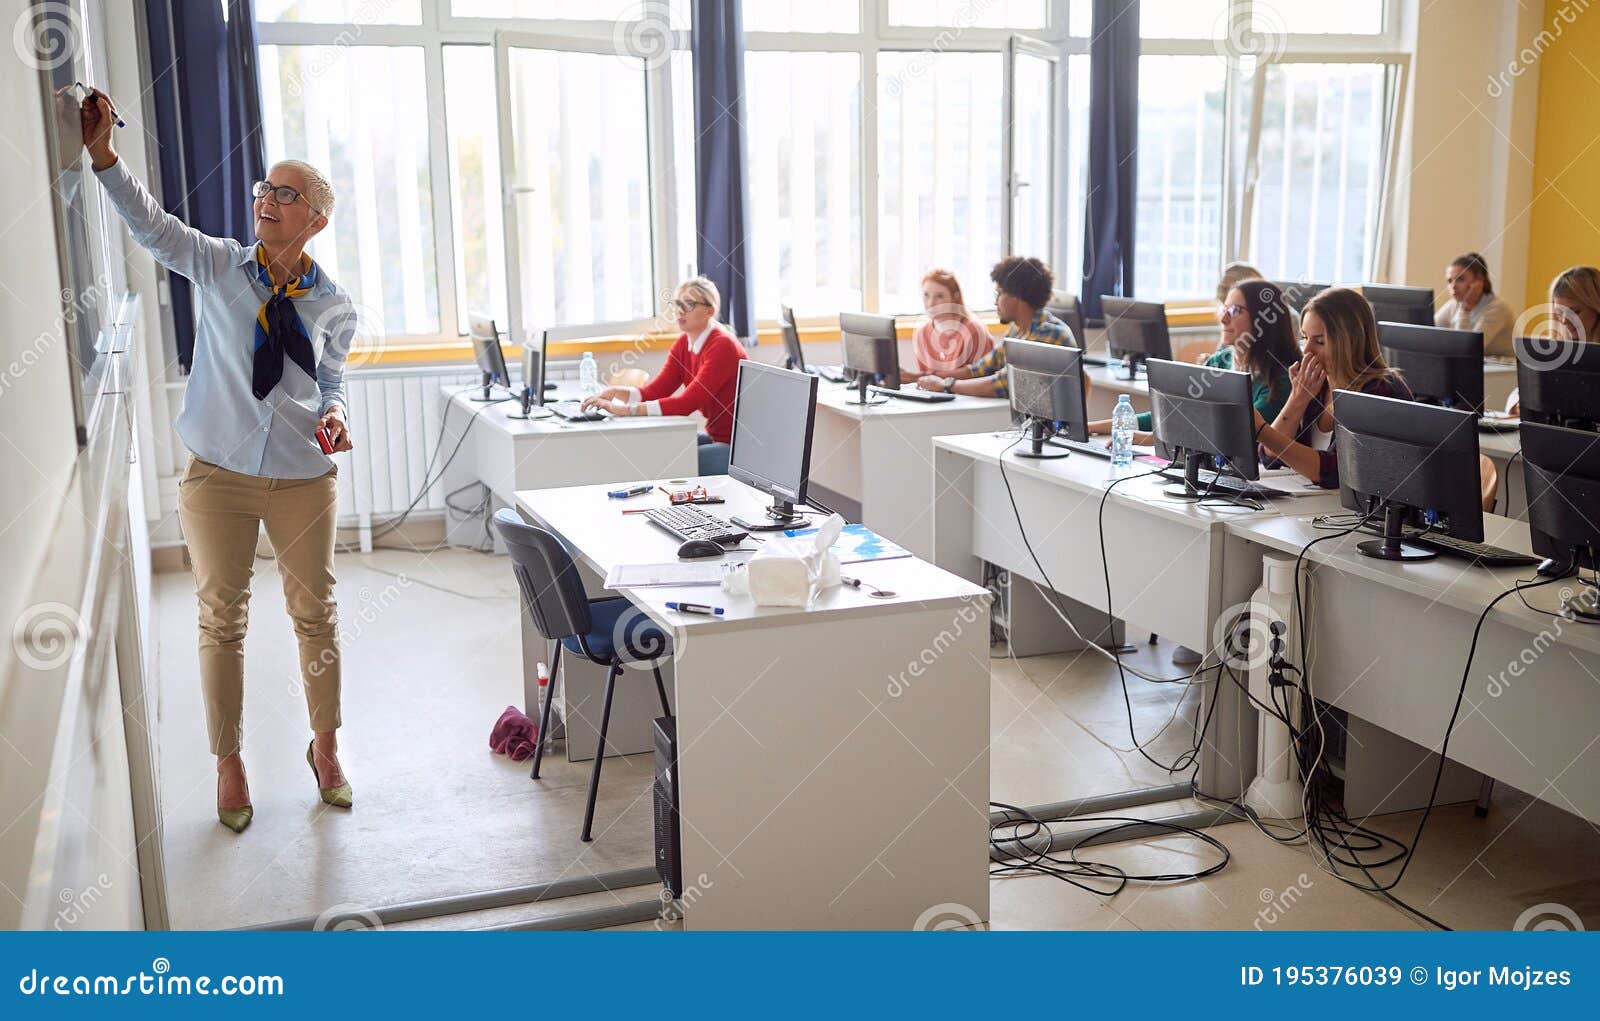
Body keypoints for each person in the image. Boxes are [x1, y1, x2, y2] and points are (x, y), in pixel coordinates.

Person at [81, 90, 356, 833]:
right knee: (220, 618)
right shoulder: (222, 266)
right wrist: (106, 157)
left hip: (304, 474)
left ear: (315, 219)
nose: (267, 199)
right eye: (265, 188)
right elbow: (157, 229)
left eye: (286, 193)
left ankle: (325, 747)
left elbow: (331, 380)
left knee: (315, 615)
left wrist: (335, 413)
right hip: (217, 476)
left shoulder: (335, 303)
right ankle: (227, 760)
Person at [1090, 277, 1297, 440]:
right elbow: (1172, 414)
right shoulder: (1220, 362)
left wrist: (1144, 439)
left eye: (1235, 311)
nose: (1223, 318)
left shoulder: (1281, 378)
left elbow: (1234, 432)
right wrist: (1091, 428)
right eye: (1224, 308)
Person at [582, 277, 746, 475]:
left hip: (739, 450)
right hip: (716, 437)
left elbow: (686, 404)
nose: (680, 311)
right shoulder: (684, 343)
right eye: (677, 304)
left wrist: (624, 410)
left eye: (689, 304)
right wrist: (616, 392)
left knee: (663, 463)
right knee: (657, 451)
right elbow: (655, 391)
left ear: (709, 311)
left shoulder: (722, 346)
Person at [1254, 287, 1414, 488]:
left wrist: (1263, 431)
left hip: (1362, 514)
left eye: (1319, 341)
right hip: (1320, 508)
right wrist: (1297, 399)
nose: (1308, 351)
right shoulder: (1318, 384)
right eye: (1305, 338)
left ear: (1349, 342)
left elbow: (1334, 472)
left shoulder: (1380, 391)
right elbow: (1270, 457)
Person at [914, 256, 1074, 397]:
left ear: (1016, 297)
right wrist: (926, 378)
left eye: (999, 293)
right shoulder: (1018, 331)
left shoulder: (1048, 334)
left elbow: (1004, 384)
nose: (995, 302)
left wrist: (947, 385)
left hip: (1048, 429)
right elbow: (978, 370)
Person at [1507, 265, 1600, 416]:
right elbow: (1520, 391)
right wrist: (1517, 404)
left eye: (1575, 312)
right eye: (1559, 313)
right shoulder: (1556, 345)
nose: (1564, 320)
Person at [900, 268, 994, 381]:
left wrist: (916, 378)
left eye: (939, 296)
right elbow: (927, 380)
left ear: (955, 296)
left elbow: (982, 377)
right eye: (926, 295)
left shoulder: (974, 331)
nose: (930, 303)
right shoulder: (922, 333)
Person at [1435, 252, 1514, 357]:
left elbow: (1467, 350)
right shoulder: (1454, 304)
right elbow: (1432, 330)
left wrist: (1465, 309)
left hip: (1503, 370)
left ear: (1479, 281)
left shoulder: (1498, 308)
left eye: (1460, 279)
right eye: (1450, 281)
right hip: (1477, 366)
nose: (1453, 286)